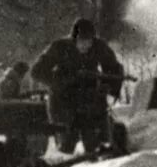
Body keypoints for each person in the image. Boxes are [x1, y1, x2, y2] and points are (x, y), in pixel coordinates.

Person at [29, 18, 124, 156]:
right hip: (62, 101)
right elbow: (37, 71)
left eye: (89, 41)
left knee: (96, 144)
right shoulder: (59, 47)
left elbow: (114, 69)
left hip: (90, 102)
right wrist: (62, 80)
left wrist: (108, 88)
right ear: (74, 40)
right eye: (81, 41)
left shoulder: (99, 47)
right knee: (66, 146)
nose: (86, 45)